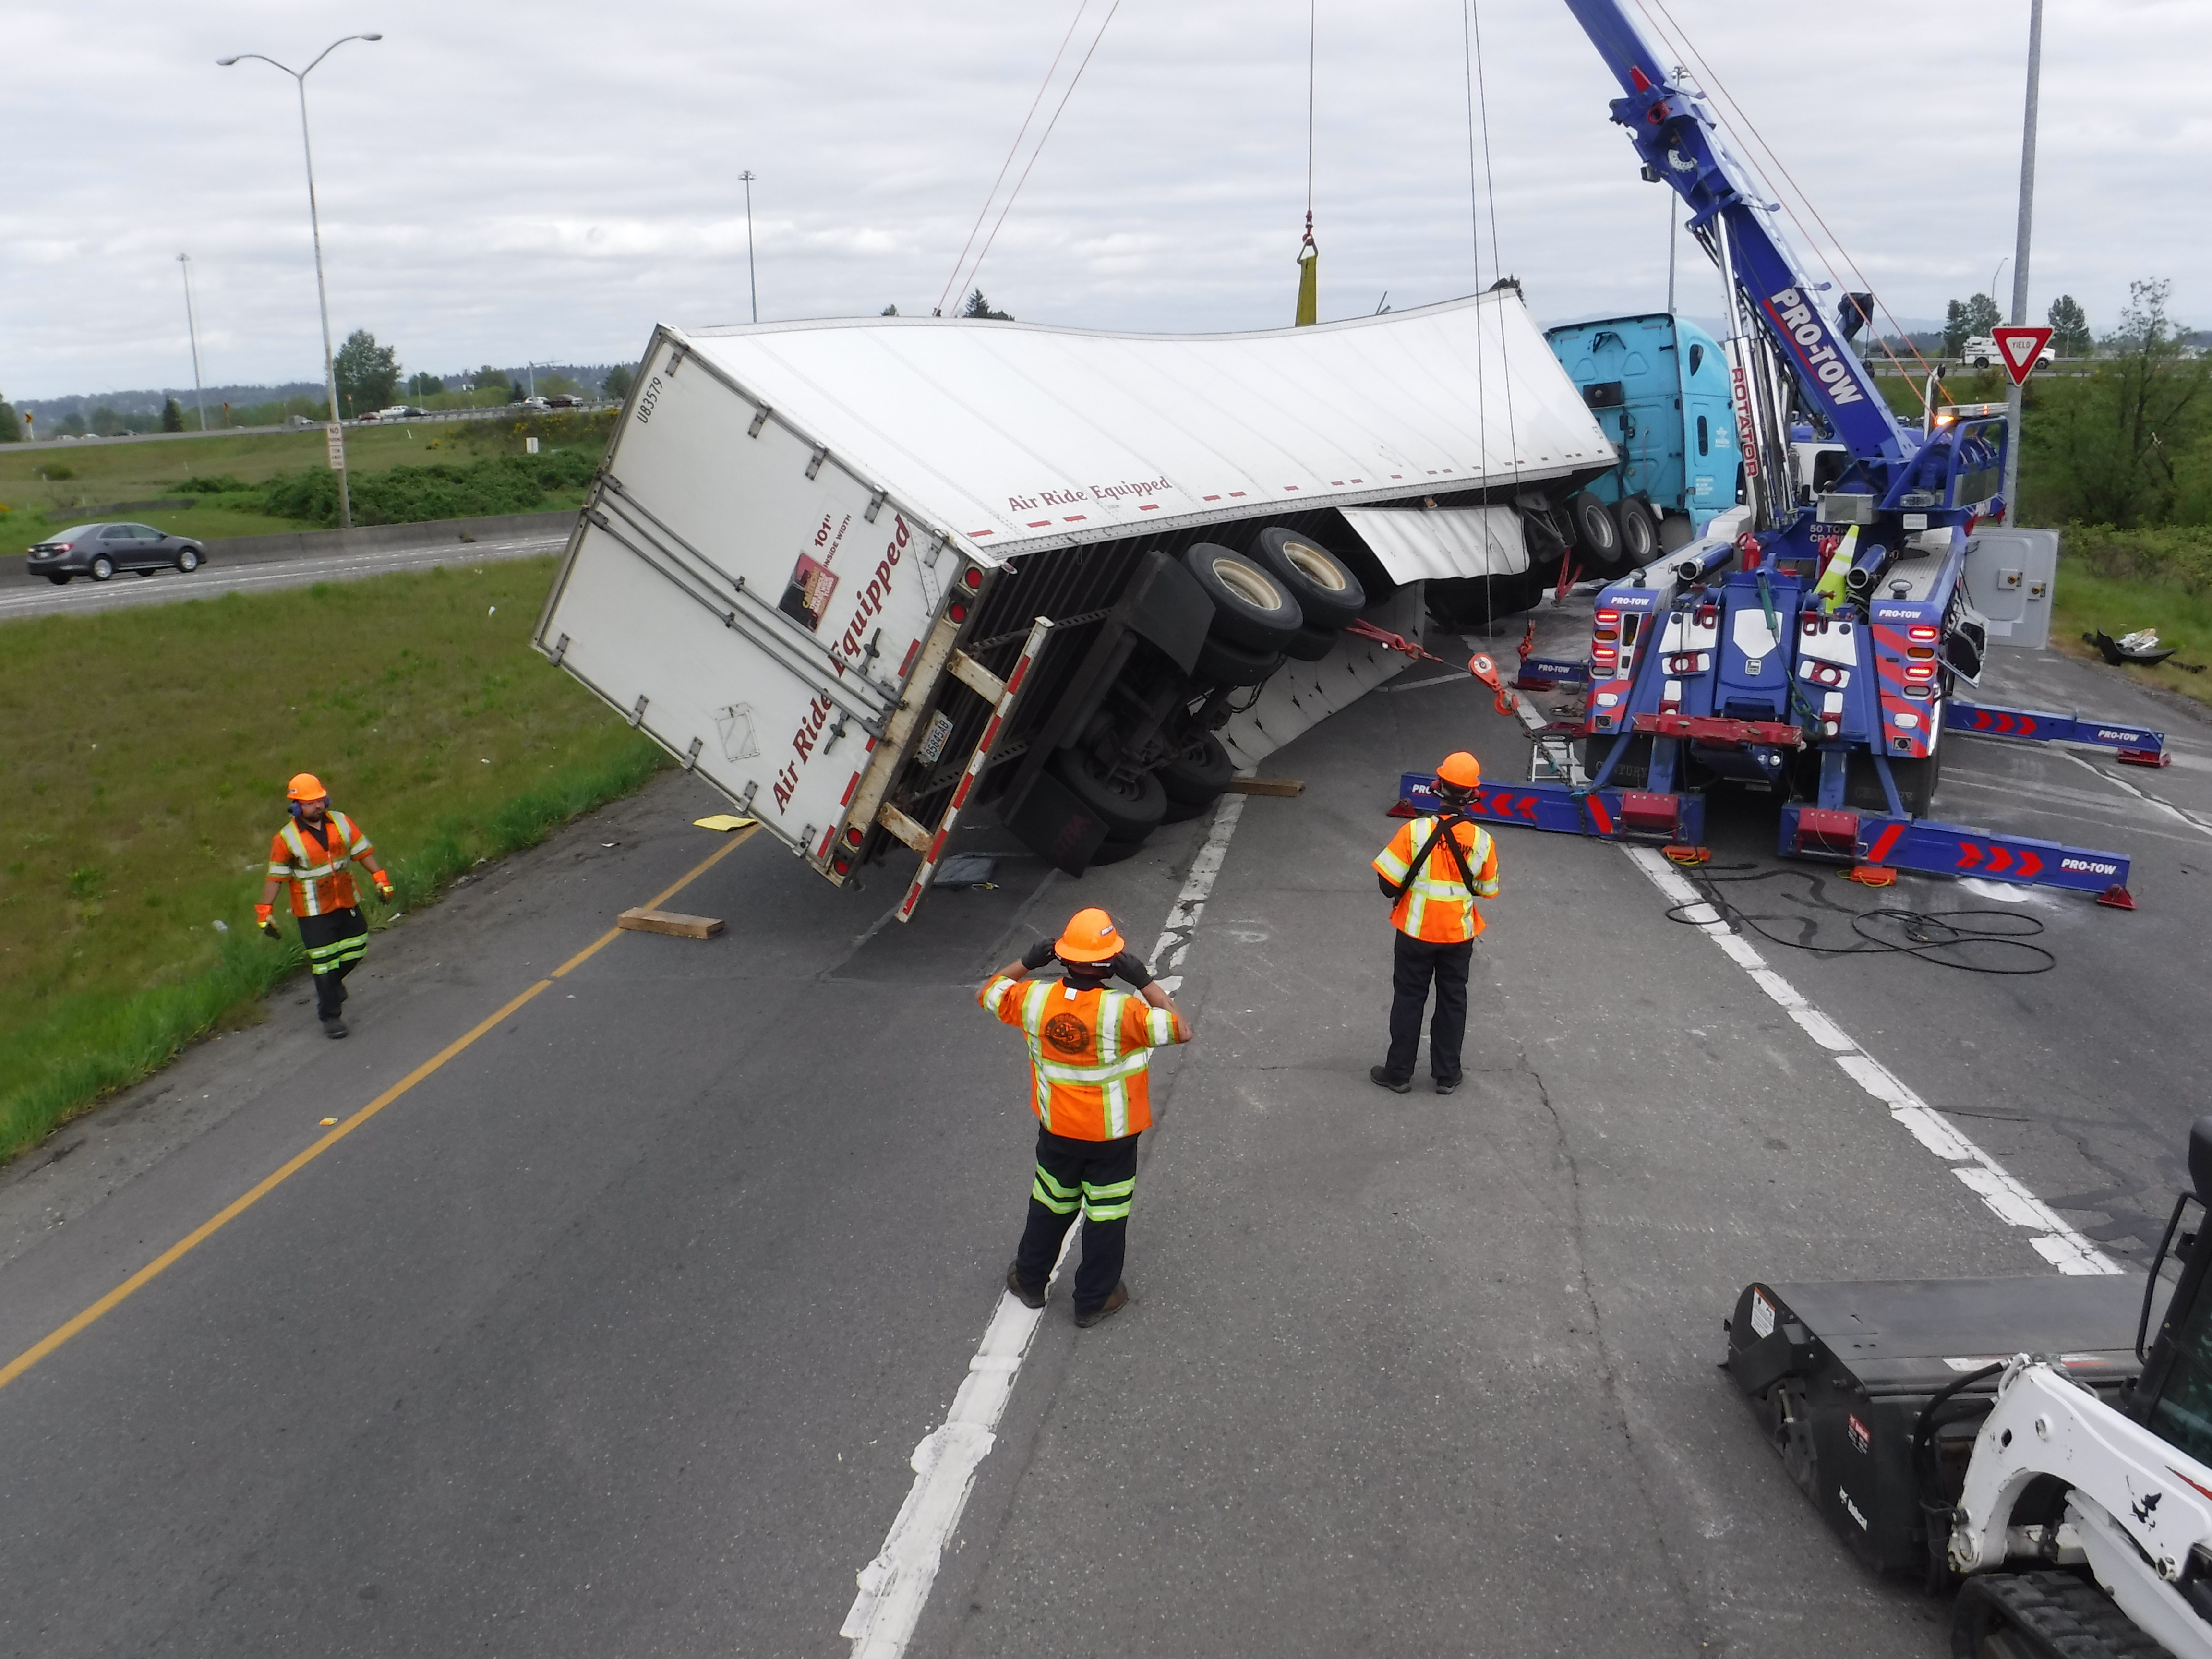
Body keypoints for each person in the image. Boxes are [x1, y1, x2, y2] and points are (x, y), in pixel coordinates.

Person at [980, 907, 1193, 1328]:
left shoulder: (1033, 999)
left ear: (1059, 956)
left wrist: (1027, 961)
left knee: (1049, 1204)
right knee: (1107, 1216)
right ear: (1112, 963)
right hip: (1111, 1137)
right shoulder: (1124, 1012)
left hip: (1057, 1130)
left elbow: (990, 991)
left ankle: (1029, 1281)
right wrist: (1145, 981)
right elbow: (1179, 1028)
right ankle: (1095, 1299)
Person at [1369, 751, 1500, 1095]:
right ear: (1473, 794)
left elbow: (1387, 886)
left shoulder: (1413, 831)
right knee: (1453, 999)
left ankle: (1398, 1073)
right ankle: (1447, 1075)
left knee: (1410, 998)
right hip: (1458, 934)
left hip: (1415, 931)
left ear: (1437, 787)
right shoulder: (1483, 841)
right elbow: (1487, 890)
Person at [256, 772, 394, 1039]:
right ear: (297, 807)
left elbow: (362, 852)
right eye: (310, 803)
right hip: (312, 910)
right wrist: (265, 909)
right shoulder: (285, 839)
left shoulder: (341, 822)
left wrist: (380, 877)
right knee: (322, 964)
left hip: (345, 899)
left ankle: (333, 985)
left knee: (358, 946)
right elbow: (276, 877)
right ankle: (331, 1016)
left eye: (320, 800)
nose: (318, 806)